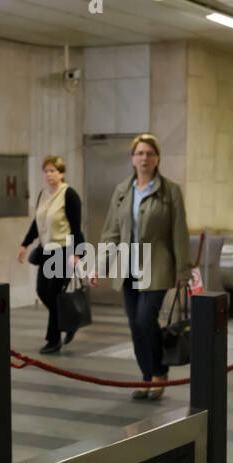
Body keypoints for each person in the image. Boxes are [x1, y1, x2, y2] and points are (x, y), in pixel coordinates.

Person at [91, 134, 191, 401]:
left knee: (145, 320)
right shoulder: (123, 190)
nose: (144, 158)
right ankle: (146, 377)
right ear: (132, 159)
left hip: (157, 266)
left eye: (149, 153)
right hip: (128, 268)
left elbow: (179, 232)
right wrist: (98, 266)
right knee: (135, 326)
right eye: (139, 153)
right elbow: (110, 232)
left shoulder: (170, 191)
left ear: (158, 158)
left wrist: (183, 271)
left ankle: (159, 372)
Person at [17, 155, 84, 354]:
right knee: (43, 291)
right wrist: (25, 244)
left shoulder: (69, 195)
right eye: (46, 171)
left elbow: (76, 227)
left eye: (53, 170)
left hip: (63, 252)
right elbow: (37, 223)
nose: (48, 175)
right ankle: (69, 323)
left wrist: (77, 253)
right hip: (46, 252)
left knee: (54, 295)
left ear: (61, 173)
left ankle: (53, 340)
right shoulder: (43, 195)